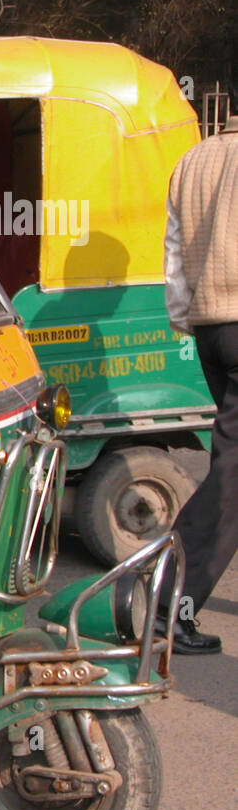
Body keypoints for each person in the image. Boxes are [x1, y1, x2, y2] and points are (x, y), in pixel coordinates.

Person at [161, 116, 238, 654]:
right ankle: (167, 602)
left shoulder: (193, 160)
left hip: (211, 326)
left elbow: (173, 252)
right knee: (232, 479)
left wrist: (187, 319)